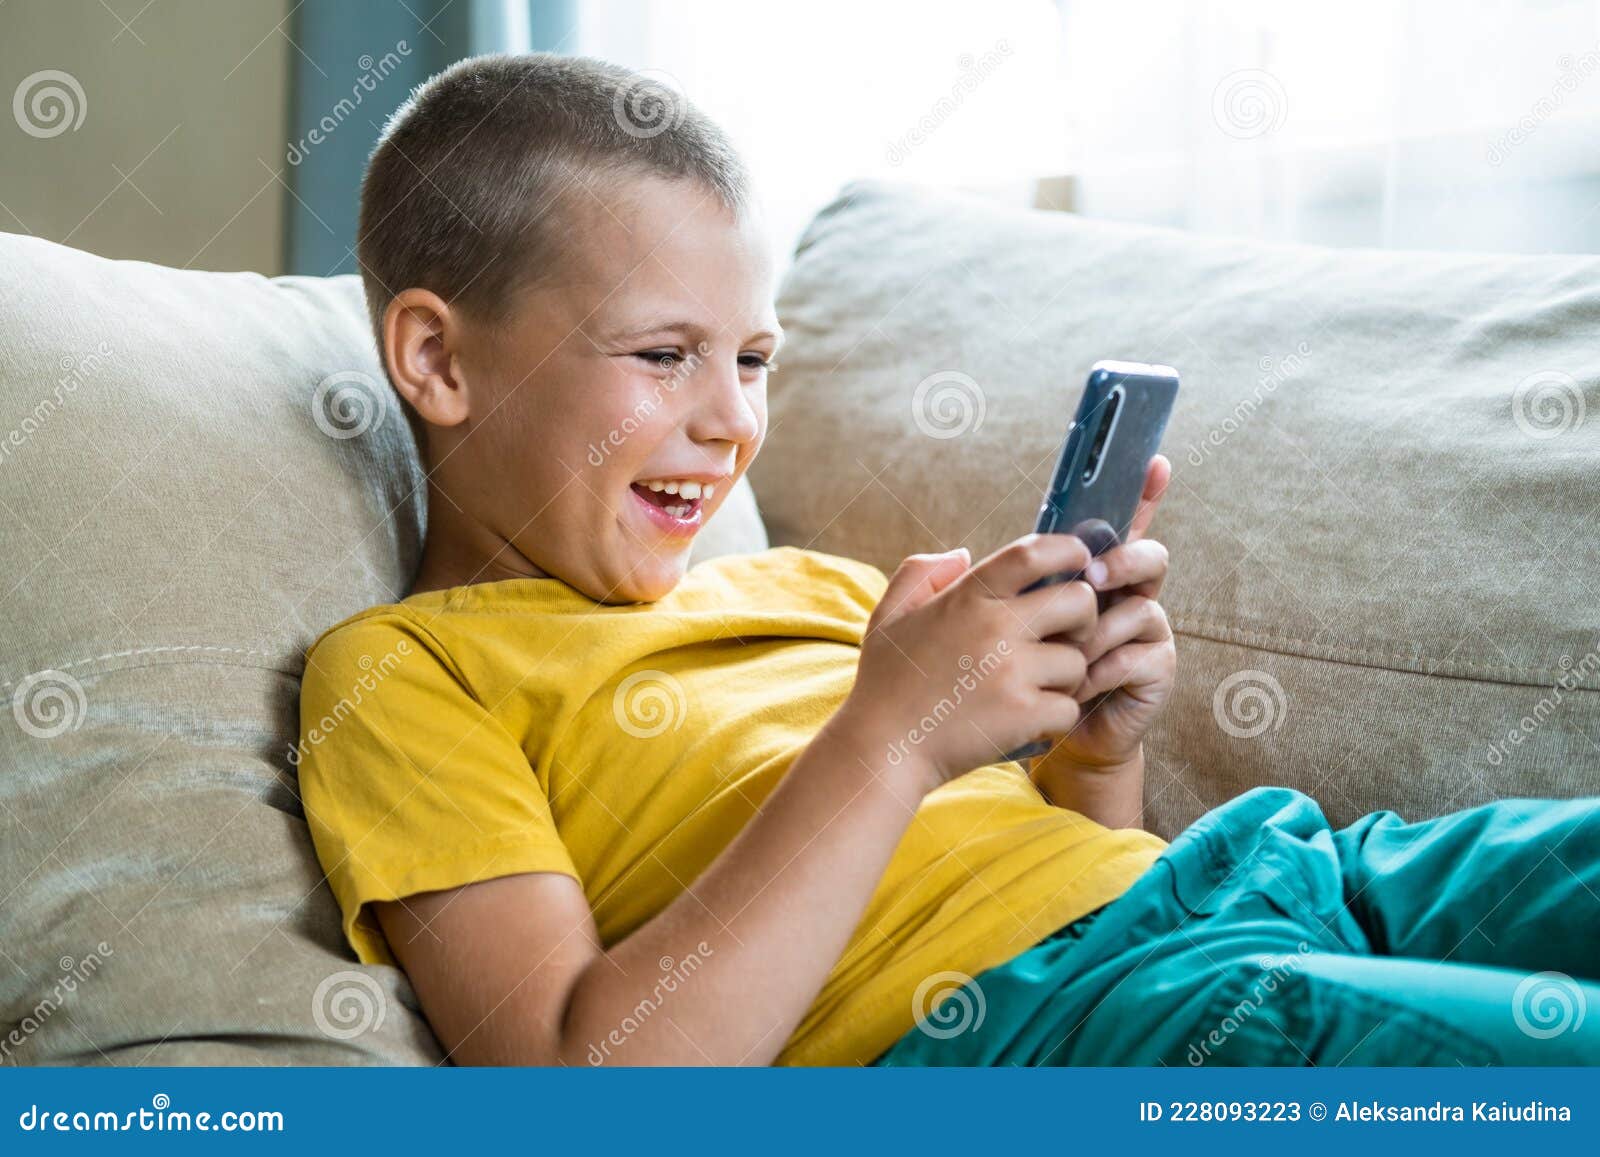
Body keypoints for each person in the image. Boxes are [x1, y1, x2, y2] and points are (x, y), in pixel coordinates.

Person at [296, 53, 1600, 1067]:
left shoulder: (806, 587)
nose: (731, 419)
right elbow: (584, 1082)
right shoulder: (408, 673)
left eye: (752, 360)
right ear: (438, 360)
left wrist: (1094, 749)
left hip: (1270, 877)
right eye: (661, 355)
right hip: (1073, 1021)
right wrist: (892, 735)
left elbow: (1063, 858)